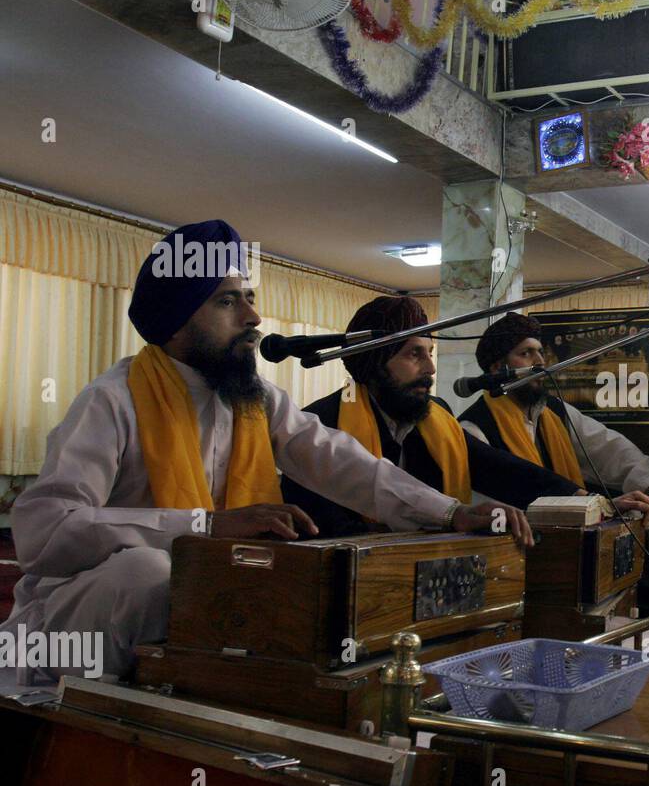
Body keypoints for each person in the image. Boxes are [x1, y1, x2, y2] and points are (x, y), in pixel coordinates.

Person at [3, 220, 527, 684]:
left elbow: (346, 464)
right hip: (69, 631)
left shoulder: (253, 400)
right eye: (227, 300)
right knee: (149, 571)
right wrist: (203, 528)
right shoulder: (112, 401)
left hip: (204, 613)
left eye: (249, 297)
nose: (253, 316)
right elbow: (44, 534)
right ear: (178, 315)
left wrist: (452, 512)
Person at [281, 295, 592, 537]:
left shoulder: (435, 414)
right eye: (414, 354)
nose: (430, 369)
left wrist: (579, 498)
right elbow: (322, 530)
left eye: (429, 353)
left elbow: (495, 467)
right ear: (374, 362)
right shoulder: (320, 424)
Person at [459, 312, 649, 503]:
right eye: (526, 353)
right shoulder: (475, 427)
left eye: (540, 352)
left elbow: (609, 448)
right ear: (497, 368)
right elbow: (500, 492)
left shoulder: (554, 411)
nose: (540, 361)